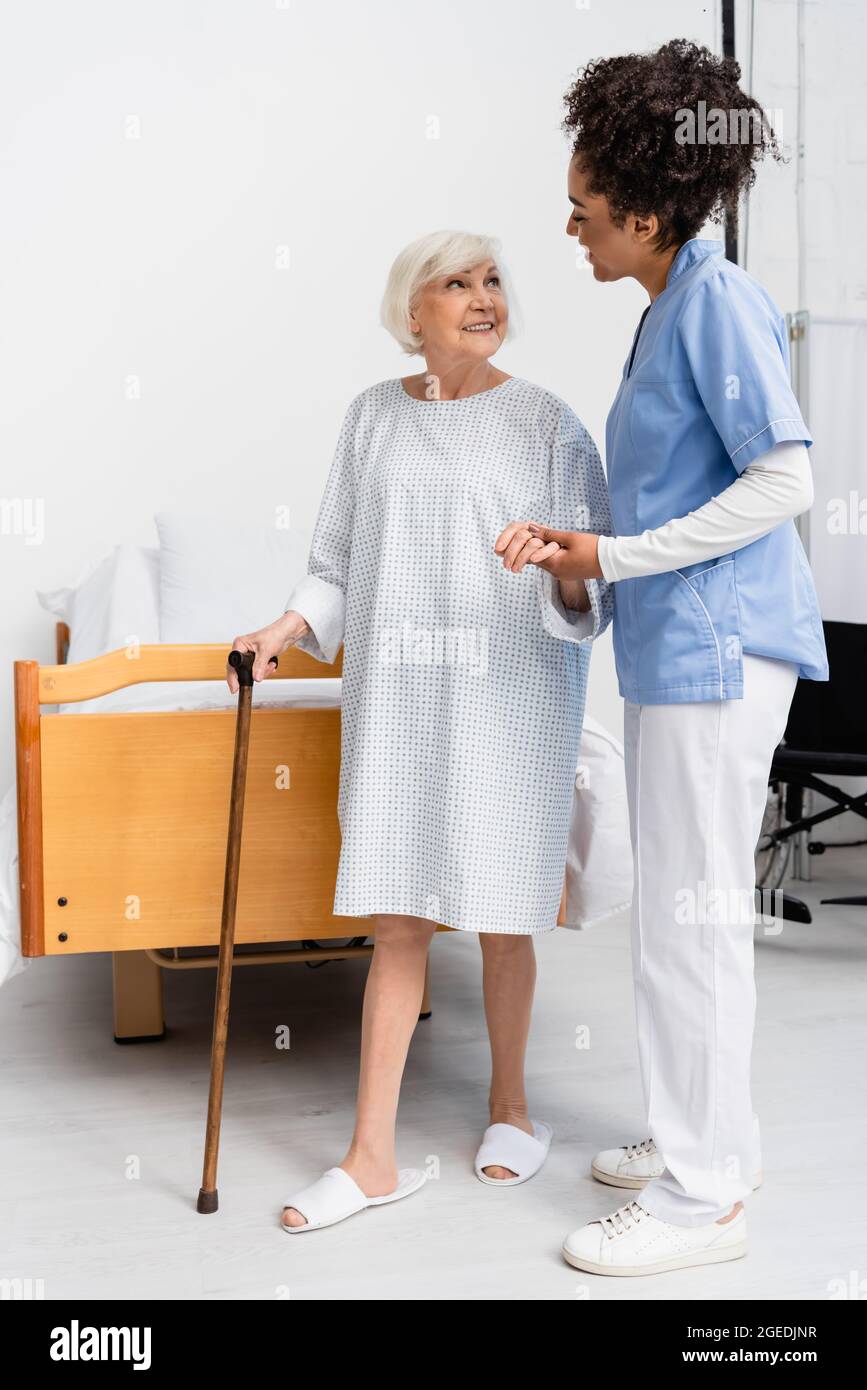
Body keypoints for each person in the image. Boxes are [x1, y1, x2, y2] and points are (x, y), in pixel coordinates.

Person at [496, 39, 828, 1276]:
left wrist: (615, 555)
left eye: (584, 209)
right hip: (676, 657)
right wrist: (585, 563)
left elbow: (785, 478)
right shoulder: (667, 307)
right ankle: (704, 1142)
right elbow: (651, 517)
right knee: (677, 923)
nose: (571, 227)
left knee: (692, 926)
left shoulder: (720, 301)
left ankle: (702, 1201)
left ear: (643, 207)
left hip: (721, 652)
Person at [226, 229, 613, 1233]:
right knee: (396, 916)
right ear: (415, 311)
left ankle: (514, 1110)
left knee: (504, 912)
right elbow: (336, 563)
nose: (483, 298)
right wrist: (287, 626)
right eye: (456, 284)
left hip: (511, 695)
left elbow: (592, 577)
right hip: (399, 697)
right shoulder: (373, 420)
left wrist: (560, 562)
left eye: (492, 281)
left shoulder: (549, 426)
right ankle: (371, 1158)